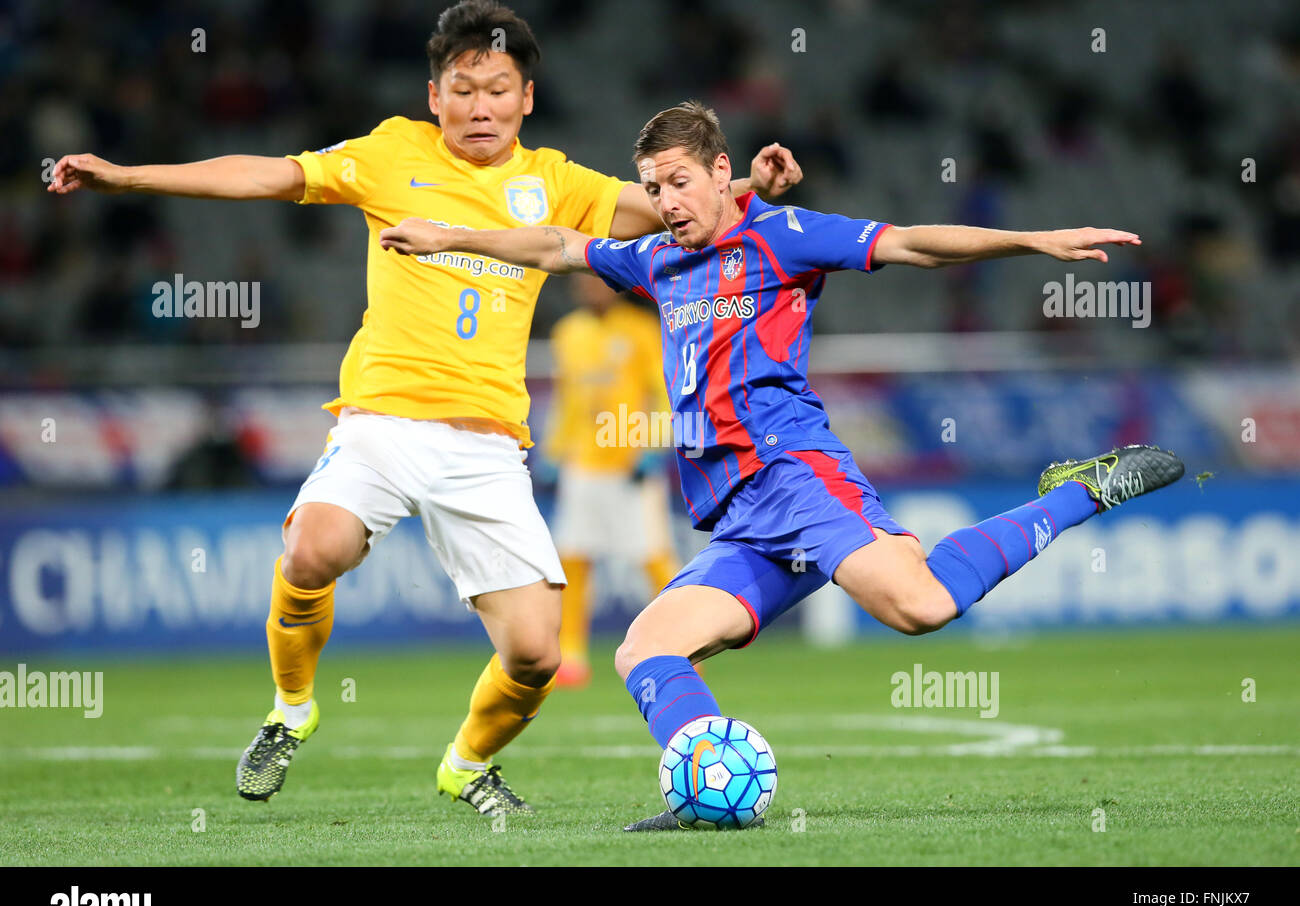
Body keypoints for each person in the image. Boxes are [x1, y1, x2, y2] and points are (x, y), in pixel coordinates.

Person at [47, 4, 802, 819]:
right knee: (311, 548)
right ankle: (292, 707)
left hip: (486, 447)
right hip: (383, 421)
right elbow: (270, 172)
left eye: (498, 90)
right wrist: (127, 176)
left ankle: (465, 762)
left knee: (537, 654)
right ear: (434, 95)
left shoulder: (557, 182)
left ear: (528, 98)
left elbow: (676, 210)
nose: (481, 107)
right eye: (464, 89)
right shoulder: (389, 151)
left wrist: (750, 188)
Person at [377, 99, 1185, 831]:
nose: (666, 203)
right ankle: (701, 792)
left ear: (720, 172)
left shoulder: (782, 236)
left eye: (681, 183)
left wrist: (1029, 241)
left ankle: (1078, 490)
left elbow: (909, 246)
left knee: (921, 607)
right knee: (643, 650)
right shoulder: (657, 260)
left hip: (796, 477)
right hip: (739, 517)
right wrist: (451, 237)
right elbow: (557, 244)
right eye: (654, 189)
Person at [546, 274, 679, 687]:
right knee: (572, 556)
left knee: (653, 556)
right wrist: (554, 452)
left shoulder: (641, 330)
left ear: (614, 286)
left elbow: (664, 390)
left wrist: (655, 446)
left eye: (598, 285)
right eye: (583, 286)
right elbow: (567, 397)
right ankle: (571, 653)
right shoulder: (567, 333)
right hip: (582, 464)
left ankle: (680, 643)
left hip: (629, 462)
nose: (590, 292)